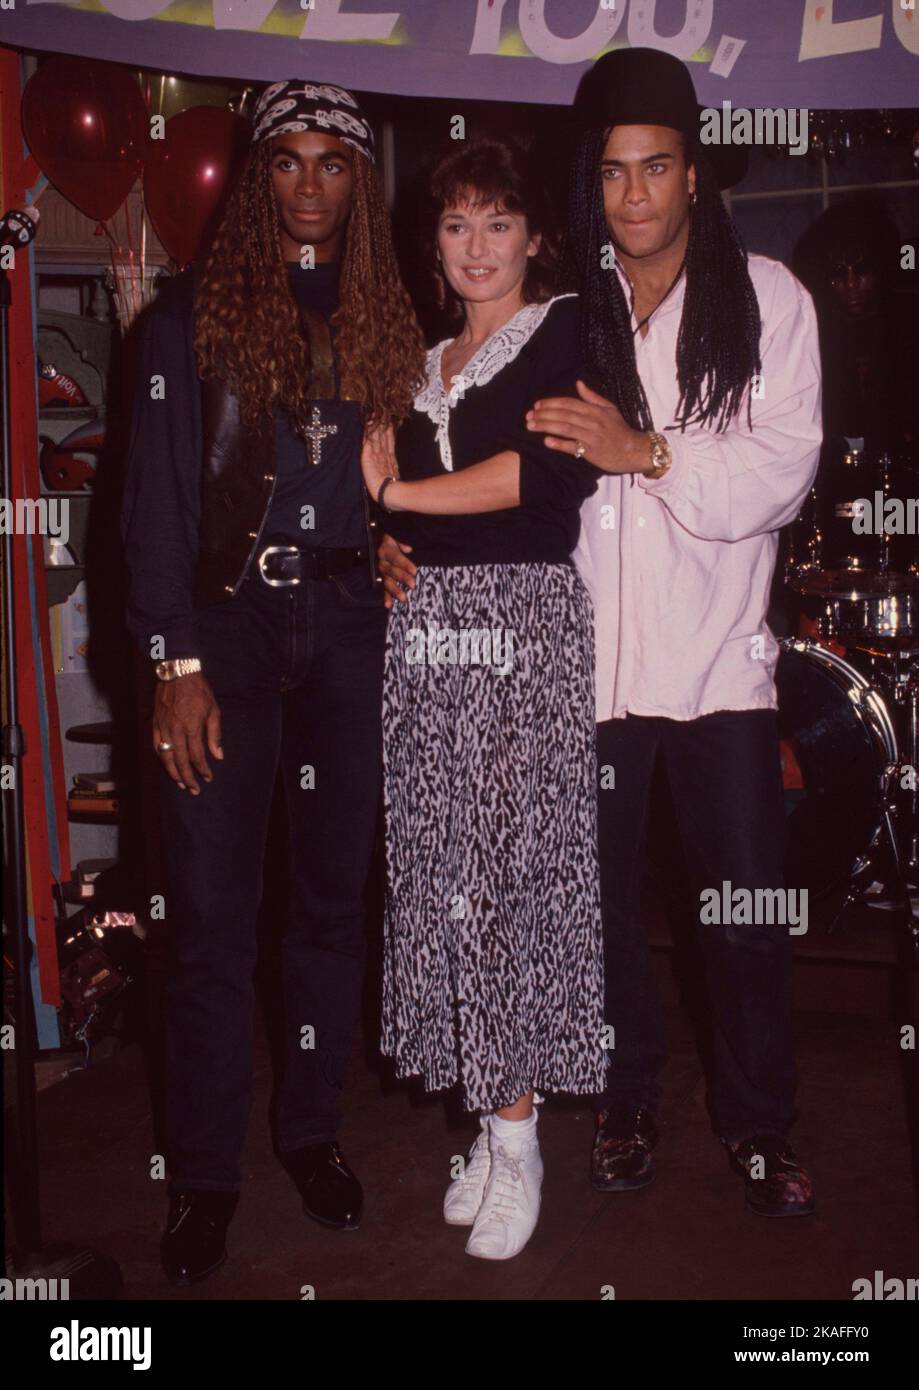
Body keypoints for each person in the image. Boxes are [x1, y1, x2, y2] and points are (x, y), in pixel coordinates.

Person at [381, 48, 823, 1219]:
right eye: (614, 172)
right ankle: (624, 1105)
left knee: (736, 912)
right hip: (580, 673)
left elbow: (779, 475)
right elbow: (506, 477)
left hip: (717, 663)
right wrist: (403, 540)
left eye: (656, 169)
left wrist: (649, 450)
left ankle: (759, 1126)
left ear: (693, 176)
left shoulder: (768, 300)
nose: (634, 194)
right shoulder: (570, 314)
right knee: (602, 911)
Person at [120, 79, 425, 1285]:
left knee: (331, 907)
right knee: (205, 921)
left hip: (349, 624)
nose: (309, 182)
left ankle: (309, 1132)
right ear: (257, 180)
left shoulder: (388, 318)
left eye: (332, 163)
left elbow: (400, 471)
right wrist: (173, 658)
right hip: (228, 635)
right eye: (287, 161)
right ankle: (201, 1175)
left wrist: (399, 538)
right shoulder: (182, 324)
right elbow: (150, 514)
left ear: (361, 181)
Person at [360, 137, 606, 1260]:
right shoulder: (418, 360)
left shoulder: (563, 329)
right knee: (445, 871)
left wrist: (400, 492)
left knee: (506, 873)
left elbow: (543, 474)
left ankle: (520, 1141)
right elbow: (386, 514)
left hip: (520, 626)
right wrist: (383, 542)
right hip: (426, 639)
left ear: (534, 234)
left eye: (497, 222)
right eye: (456, 225)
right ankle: (490, 1111)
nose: (476, 246)